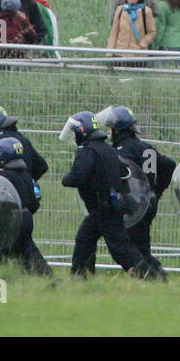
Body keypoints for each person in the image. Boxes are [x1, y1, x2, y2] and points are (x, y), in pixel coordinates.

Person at [60, 111, 164, 279]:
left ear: (82, 131)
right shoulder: (107, 149)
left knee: (121, 248)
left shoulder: (87, 151)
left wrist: (66, 179)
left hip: (104, 208)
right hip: (111, 205)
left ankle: (149, 276)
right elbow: (124, 171)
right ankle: (80, 276)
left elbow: (77, 176)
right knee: (85, 238)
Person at [99, 106, 174, 271]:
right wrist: (157, 191)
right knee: (142, 246)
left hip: (134, 204)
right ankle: (155, 275)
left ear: (117, 130)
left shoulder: (121, 150)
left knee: (129, 246)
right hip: (150, 202)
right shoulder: (146, 147)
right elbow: (169, 165)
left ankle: (152, 274)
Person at [0, 136, 51, 276]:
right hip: (26, 218)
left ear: (3, 156)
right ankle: (46, 277)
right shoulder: (26, 176)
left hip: (8, 221)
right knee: (28, 252)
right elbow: (34, 202)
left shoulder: (3, 177)